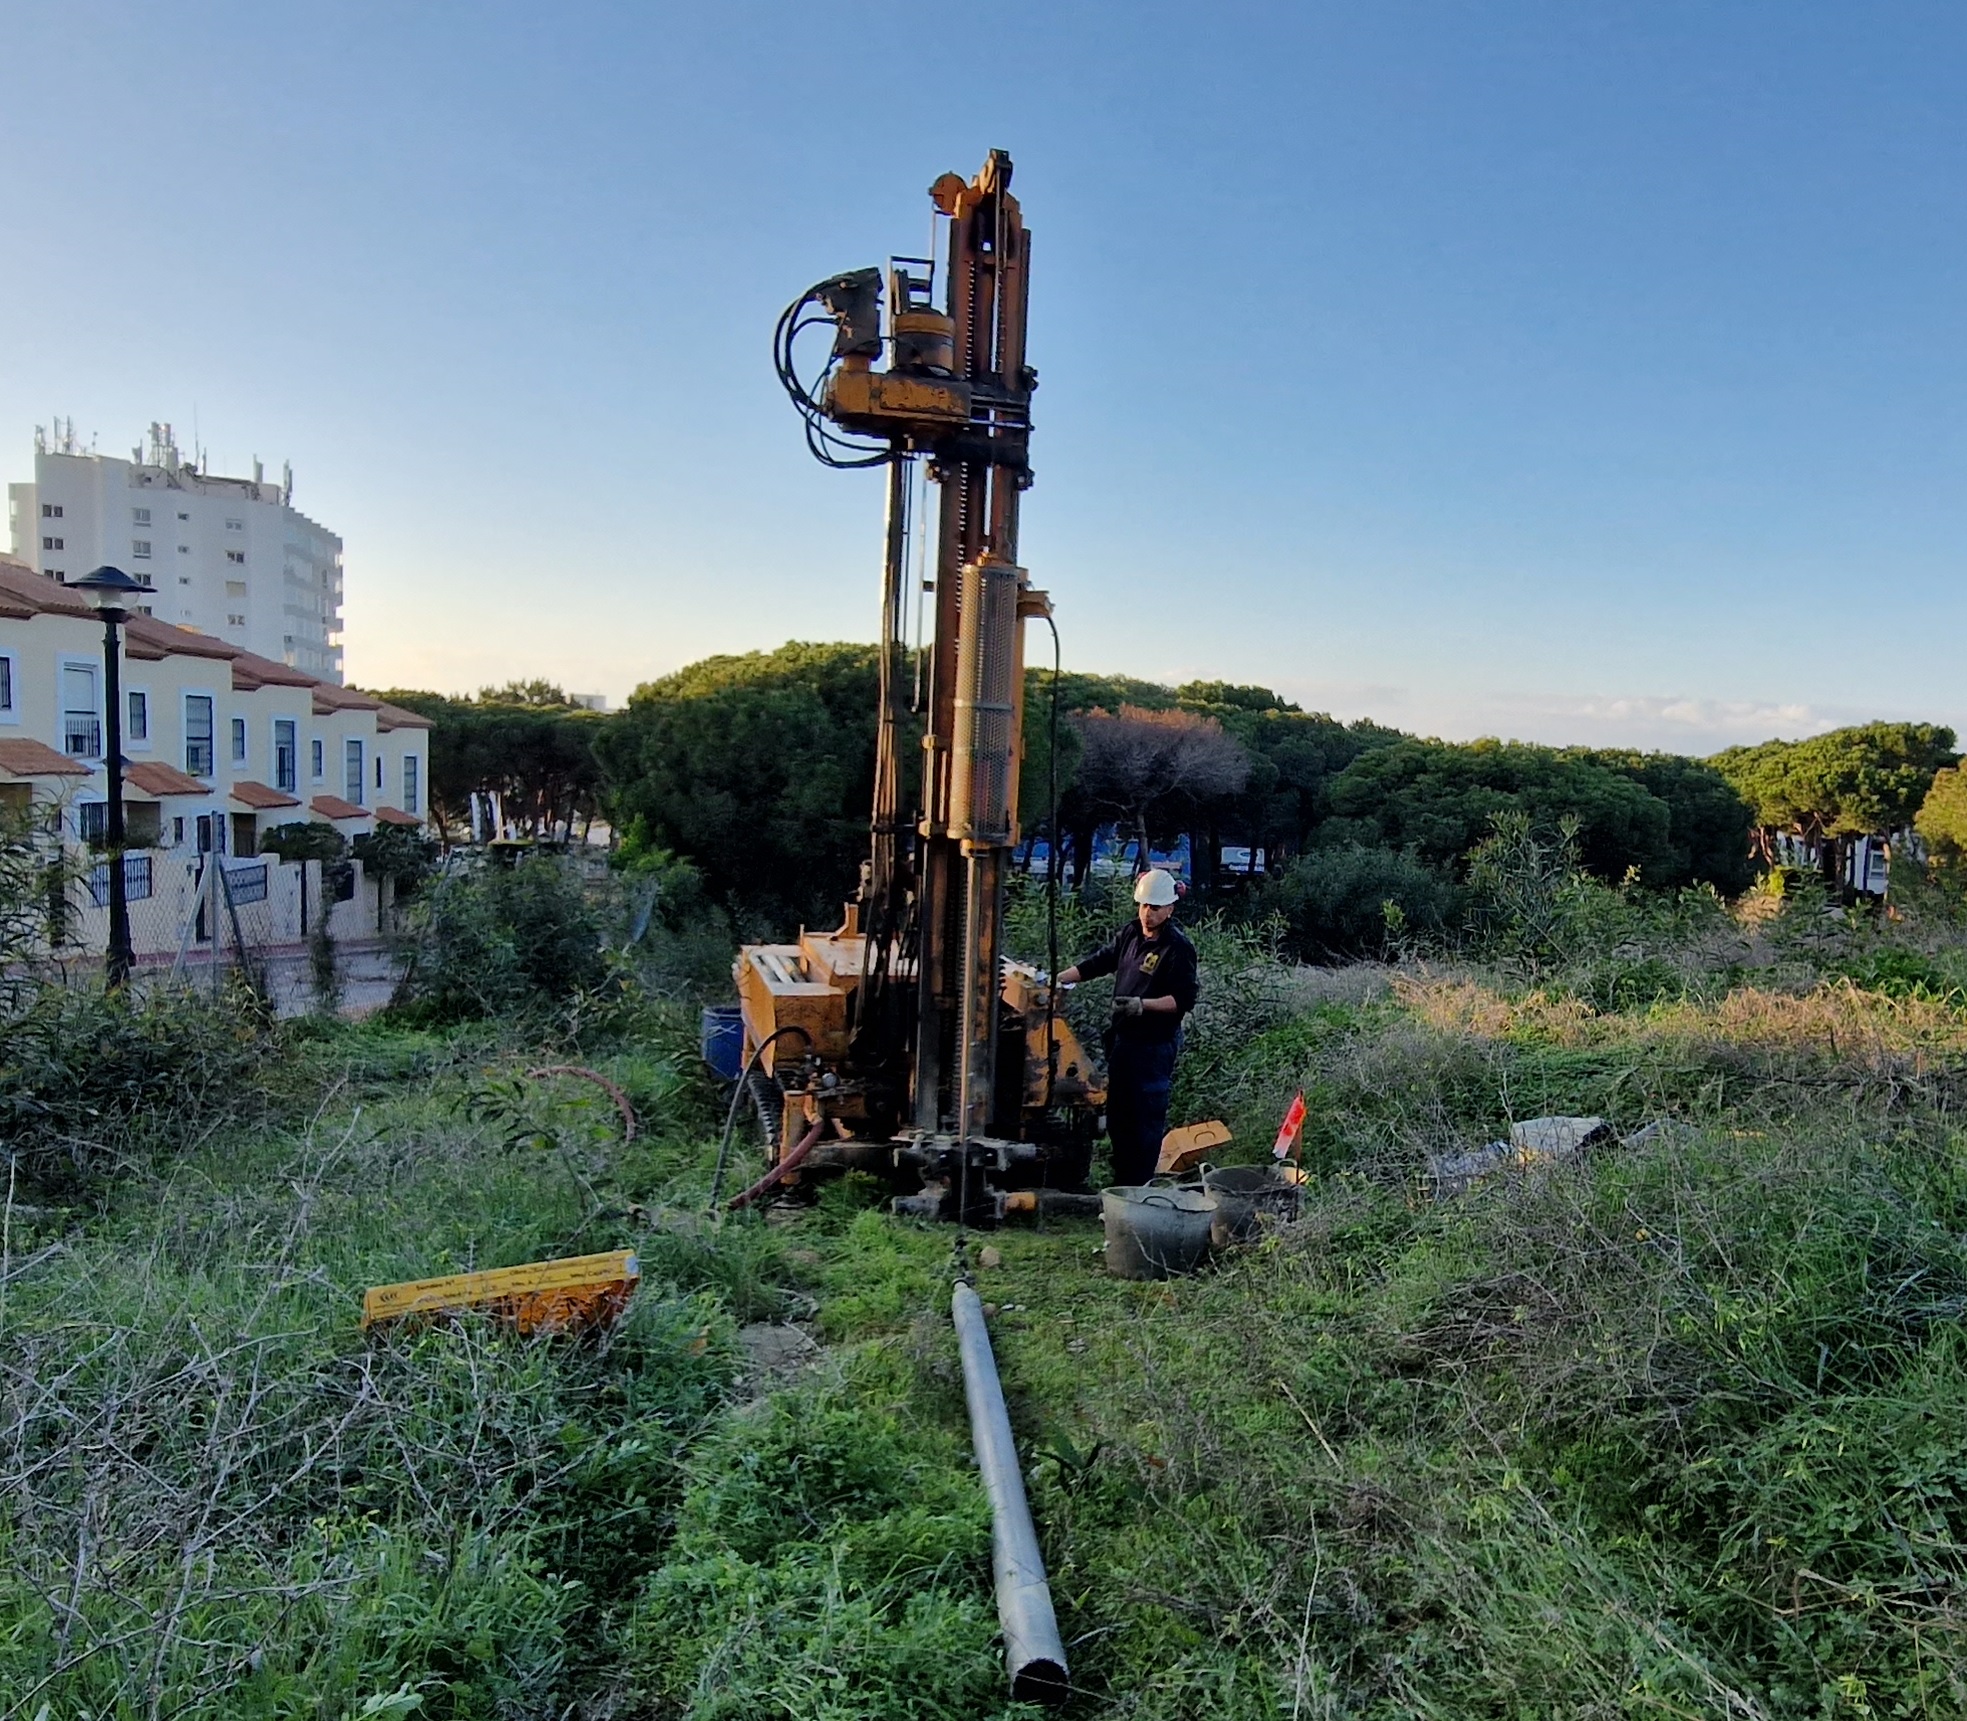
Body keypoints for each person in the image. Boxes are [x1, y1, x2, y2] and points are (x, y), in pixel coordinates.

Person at [1056, 869, 1199, 1188]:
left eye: (1155, 907)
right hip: (1123, 1041)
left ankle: (1138, 1190)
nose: (1148, 913)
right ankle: (1120, 1184)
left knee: (1144, 1121)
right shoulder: (1131, 934)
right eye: (1144, 906)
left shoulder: (1177, 948)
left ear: (1170, 909)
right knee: (1119, 1118)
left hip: (1153, 1046)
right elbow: (1100, 962)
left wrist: (1142, 1005)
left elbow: (1183, 999)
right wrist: (1056, 979)